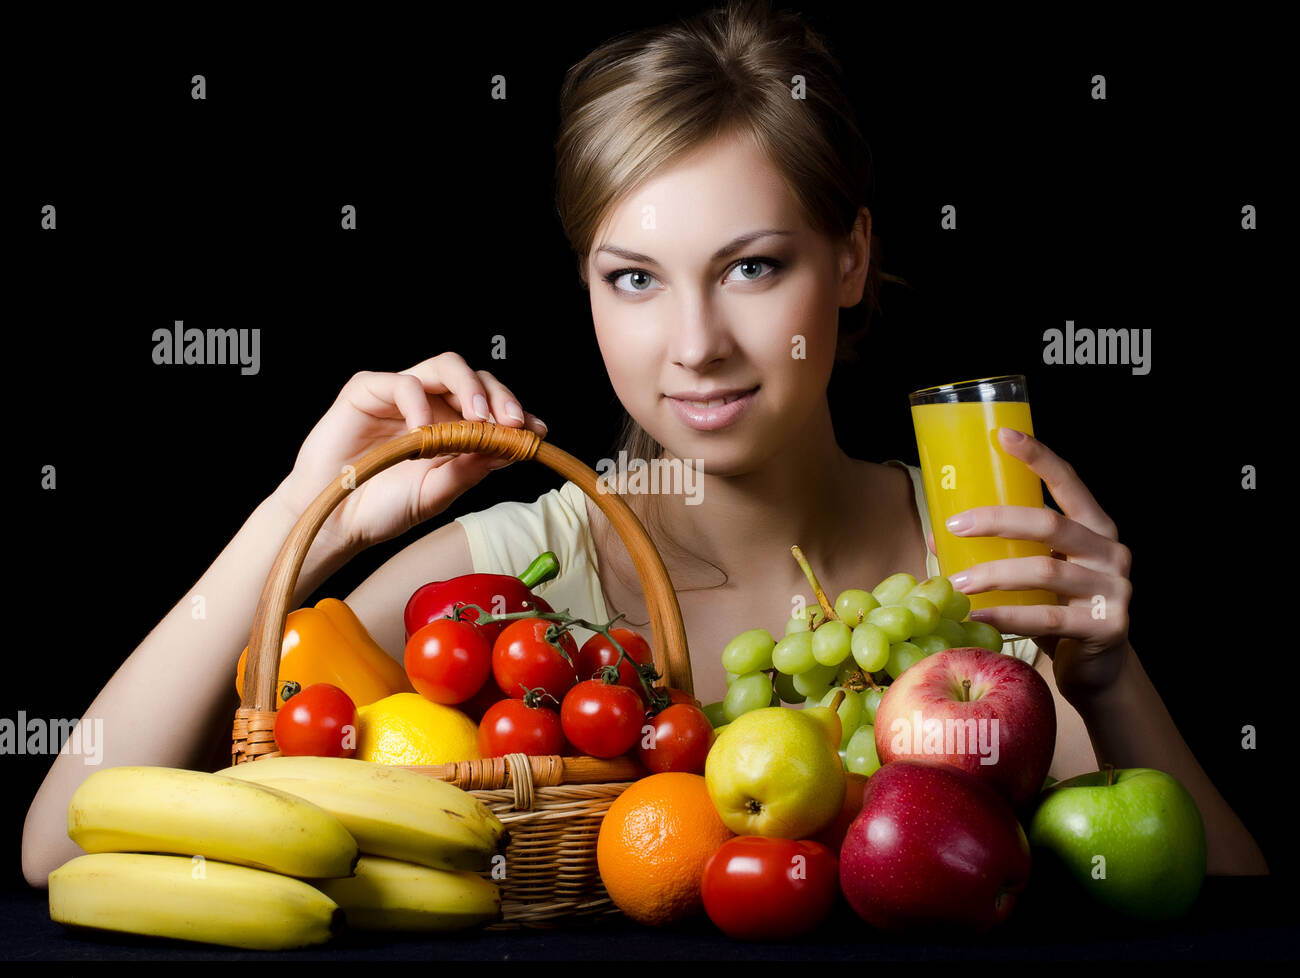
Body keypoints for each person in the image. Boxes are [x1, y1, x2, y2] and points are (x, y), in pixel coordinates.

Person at [22, 0, 1267, 888]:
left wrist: (1106, 679)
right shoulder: (521, 575)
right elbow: (62, 839)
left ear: (851, 258)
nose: (696, 345)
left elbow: (1225, 914)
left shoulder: (982, 557)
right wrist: (309, 512)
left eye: (752, 268)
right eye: (633, 279)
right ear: (583, 289)